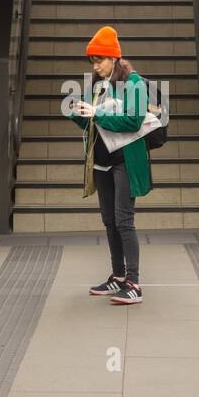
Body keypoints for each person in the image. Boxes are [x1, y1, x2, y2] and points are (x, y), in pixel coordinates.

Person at [65, 26, 153, 305]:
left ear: (114, 58)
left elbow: (133, 121)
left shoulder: (135, 84)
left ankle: (134, 283)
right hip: (102, 163)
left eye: (100, 60)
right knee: (109, 222)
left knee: (124, 221)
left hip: (125, 161)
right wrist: (80, 114)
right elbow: (93, 122)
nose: (96, 66)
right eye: (93, 61)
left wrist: (98, 113)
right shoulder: (99, 85)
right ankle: (117, 277)